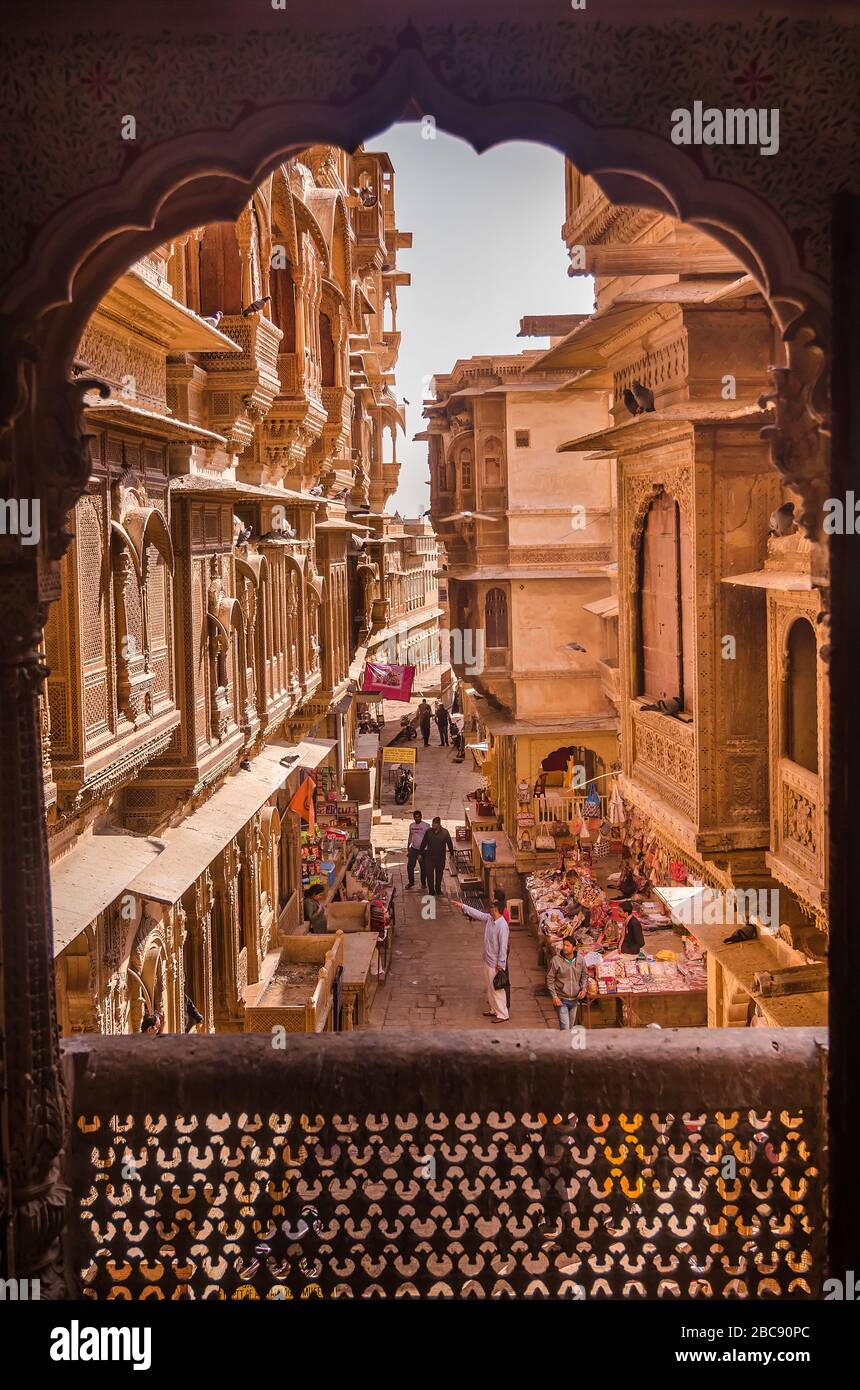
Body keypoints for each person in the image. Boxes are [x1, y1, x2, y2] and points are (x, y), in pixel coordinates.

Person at [452, 890, 510, 1021]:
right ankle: (494, 1009)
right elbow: (478, 914)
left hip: (496, 963)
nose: (489, 911)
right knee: (490, 988)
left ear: (496, 910)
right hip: (488, 960)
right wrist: (463, 906)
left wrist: (501, 963)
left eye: (491, 909)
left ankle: (503, 1014)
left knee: (497, 989)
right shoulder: (490, 919)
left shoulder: (502, 926)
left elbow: (503, 947)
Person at [546, 937, 589, 1031]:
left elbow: (585, 975)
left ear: (574, 948)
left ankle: (566, 1044)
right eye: (564, 945)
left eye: (567, 945)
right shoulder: (556, 960)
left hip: (575, 999)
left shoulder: (580, 960)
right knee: (565, 1027)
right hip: (561, 999)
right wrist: (554, 996)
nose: (564, 947)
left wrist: (583, 989)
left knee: (571, 1027)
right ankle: (565, 1044)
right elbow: (550, 979)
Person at [420, 815, 455, 895]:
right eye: (432, 824)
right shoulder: (428, 832)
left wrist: (452, 854)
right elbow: (423, 843)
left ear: (439, 825)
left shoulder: (445, 832)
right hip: (430, 857)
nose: (433, 826)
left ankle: (438, 890)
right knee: (429, 875)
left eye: (434, 824)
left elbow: (449, 843)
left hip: (440, 858)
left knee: (439, 875)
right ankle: (431, 891)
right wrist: (420, 854)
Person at [405, 808, 430, 889]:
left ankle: (423, 883)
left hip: (423, 850)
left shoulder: (426, 826)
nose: (417, 818)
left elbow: (428, 838)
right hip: (413, 849)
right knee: (410, 866)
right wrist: (408, 846)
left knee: (423, 867)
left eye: (418, 817)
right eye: (415, 817)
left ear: (421, 817)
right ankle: (411, 882)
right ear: (413, 817)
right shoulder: (411, 826)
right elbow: (410, 836)